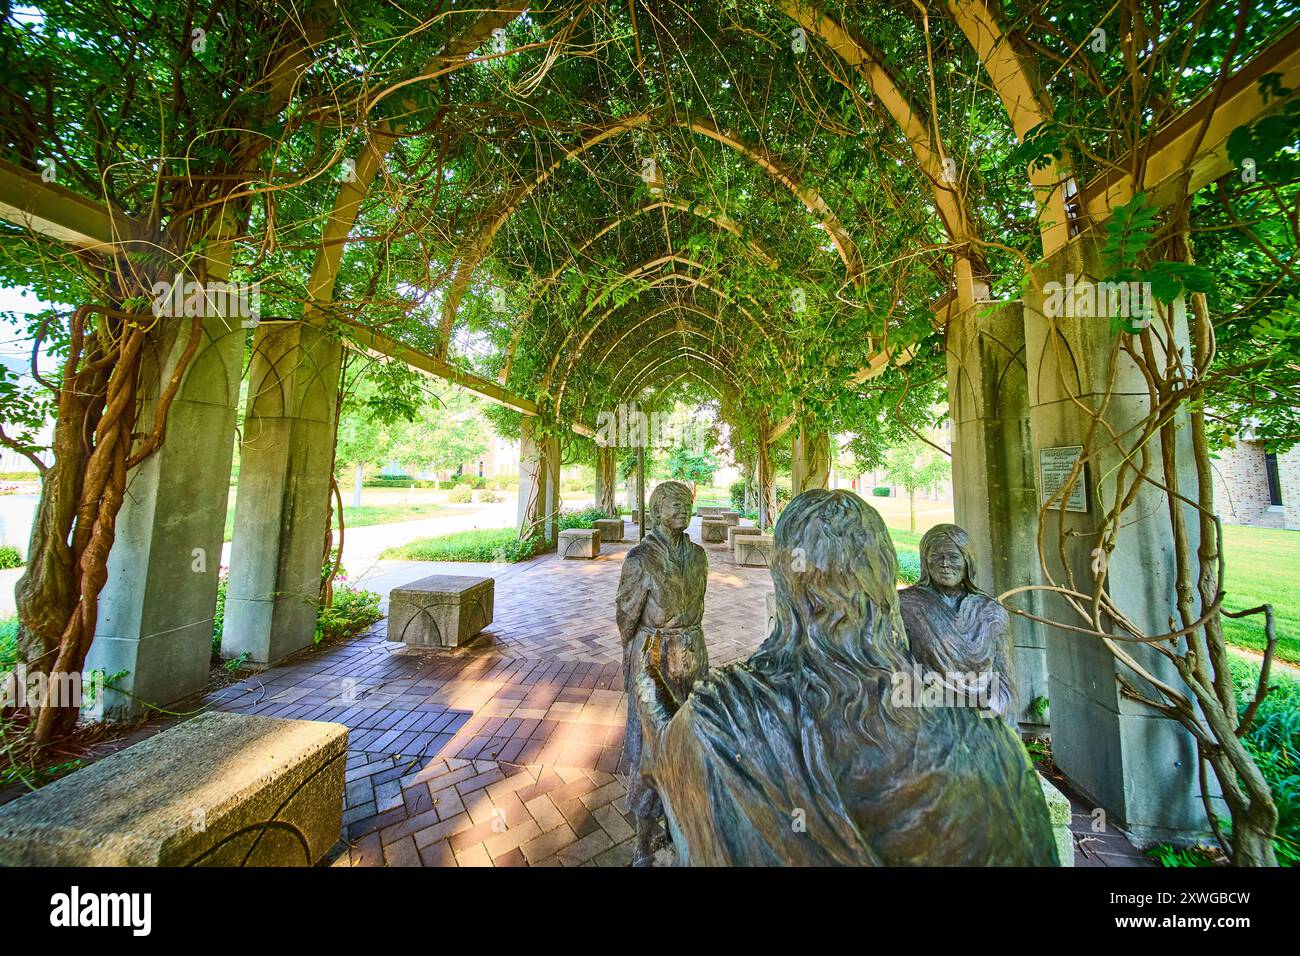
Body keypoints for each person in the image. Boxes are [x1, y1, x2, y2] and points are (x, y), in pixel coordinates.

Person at [633, 489, 1056, 866]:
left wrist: (648, 689)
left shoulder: (719, 717)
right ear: (885, 578)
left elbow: (672, 759)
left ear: (785, 581)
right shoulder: (989, 744)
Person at [615, 480, 708, 867]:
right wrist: (640, 657)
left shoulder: (699, 556)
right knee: (650, 748)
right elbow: (626, 619)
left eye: (686, 503)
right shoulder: (640, 559)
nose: (683, 509)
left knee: (687, 740)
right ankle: (642, 839)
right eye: (674, 503)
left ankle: (677, 820)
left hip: (692, 653)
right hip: (653, 658)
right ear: (655, 511)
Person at [898, 523, 1014, 720]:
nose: (944, 563)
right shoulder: (905, 606)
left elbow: (1005, 680)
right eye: (936, 556)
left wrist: (994, 712)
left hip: (984, 716)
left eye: (953, 556)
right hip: (928, 717)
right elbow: (896, 671)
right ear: (925, 560)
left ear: (968, 561)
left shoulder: (991, 612)